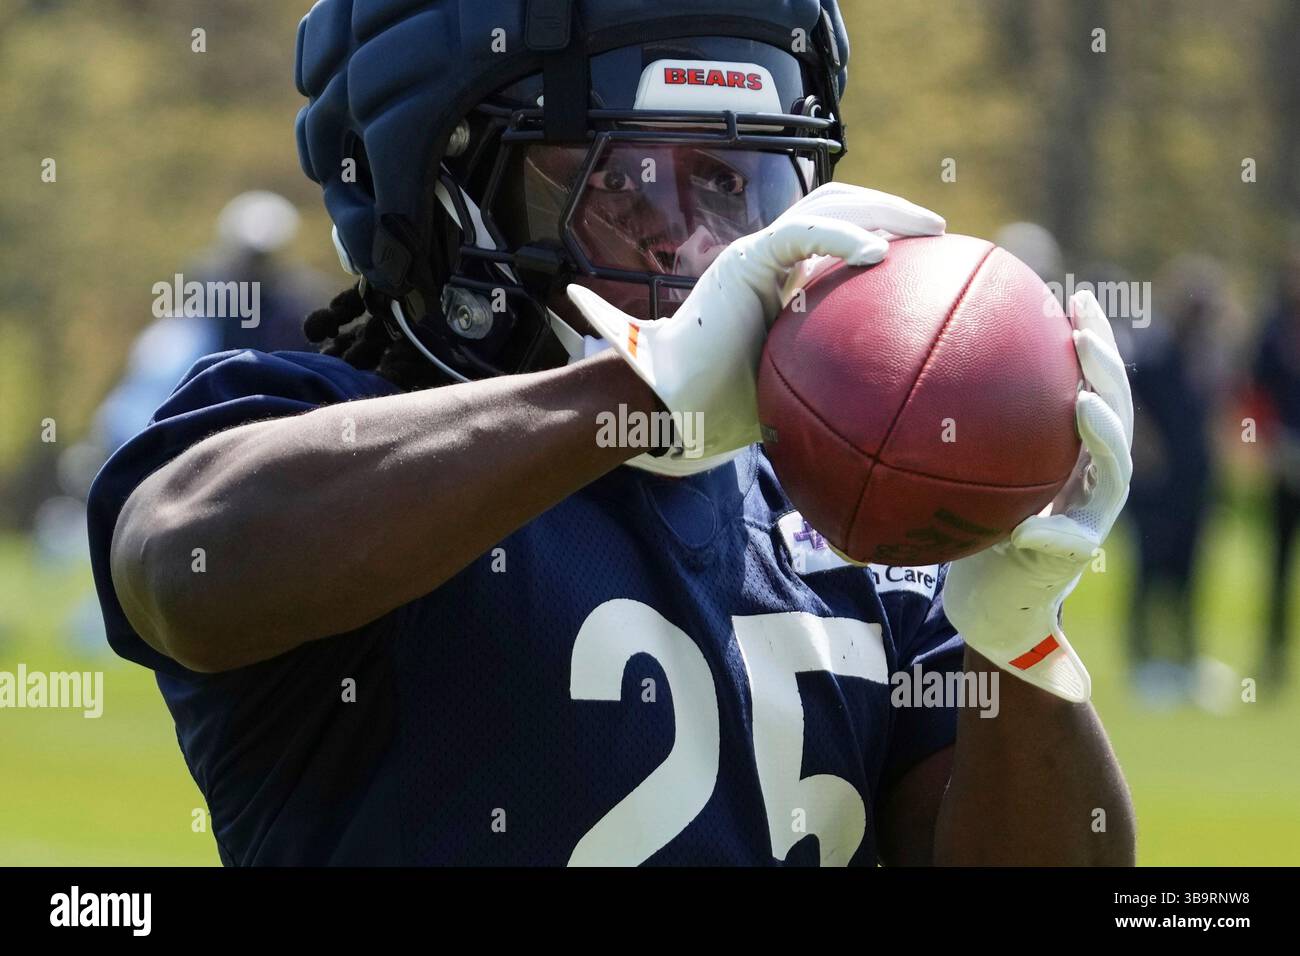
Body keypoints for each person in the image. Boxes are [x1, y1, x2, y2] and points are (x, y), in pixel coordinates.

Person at [86, 0, 1134, 865]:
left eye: (734, 181)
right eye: (625, 180)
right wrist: (625, 400)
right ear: (447, 186)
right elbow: (188, 564)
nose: (695, 243)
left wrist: (1015, 636)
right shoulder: (329, 433)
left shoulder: (840, 509)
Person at [1125, 255, 1238, 709]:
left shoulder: (1210, 356)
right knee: (1149, 573)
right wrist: (1145, 443)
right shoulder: (1152, 351)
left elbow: (1217, 416)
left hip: (1195, 485)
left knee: (1190, 577)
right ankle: (1143, 660)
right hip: (1155, 490)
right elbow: (1129, 398)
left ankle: (1186, 660)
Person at [1251, 236, 1300, 689]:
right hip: (1285, 466)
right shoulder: (1273, 329)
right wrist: (1272, 446)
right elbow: (1256, 394)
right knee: (1279, 567)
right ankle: (1273, 657)